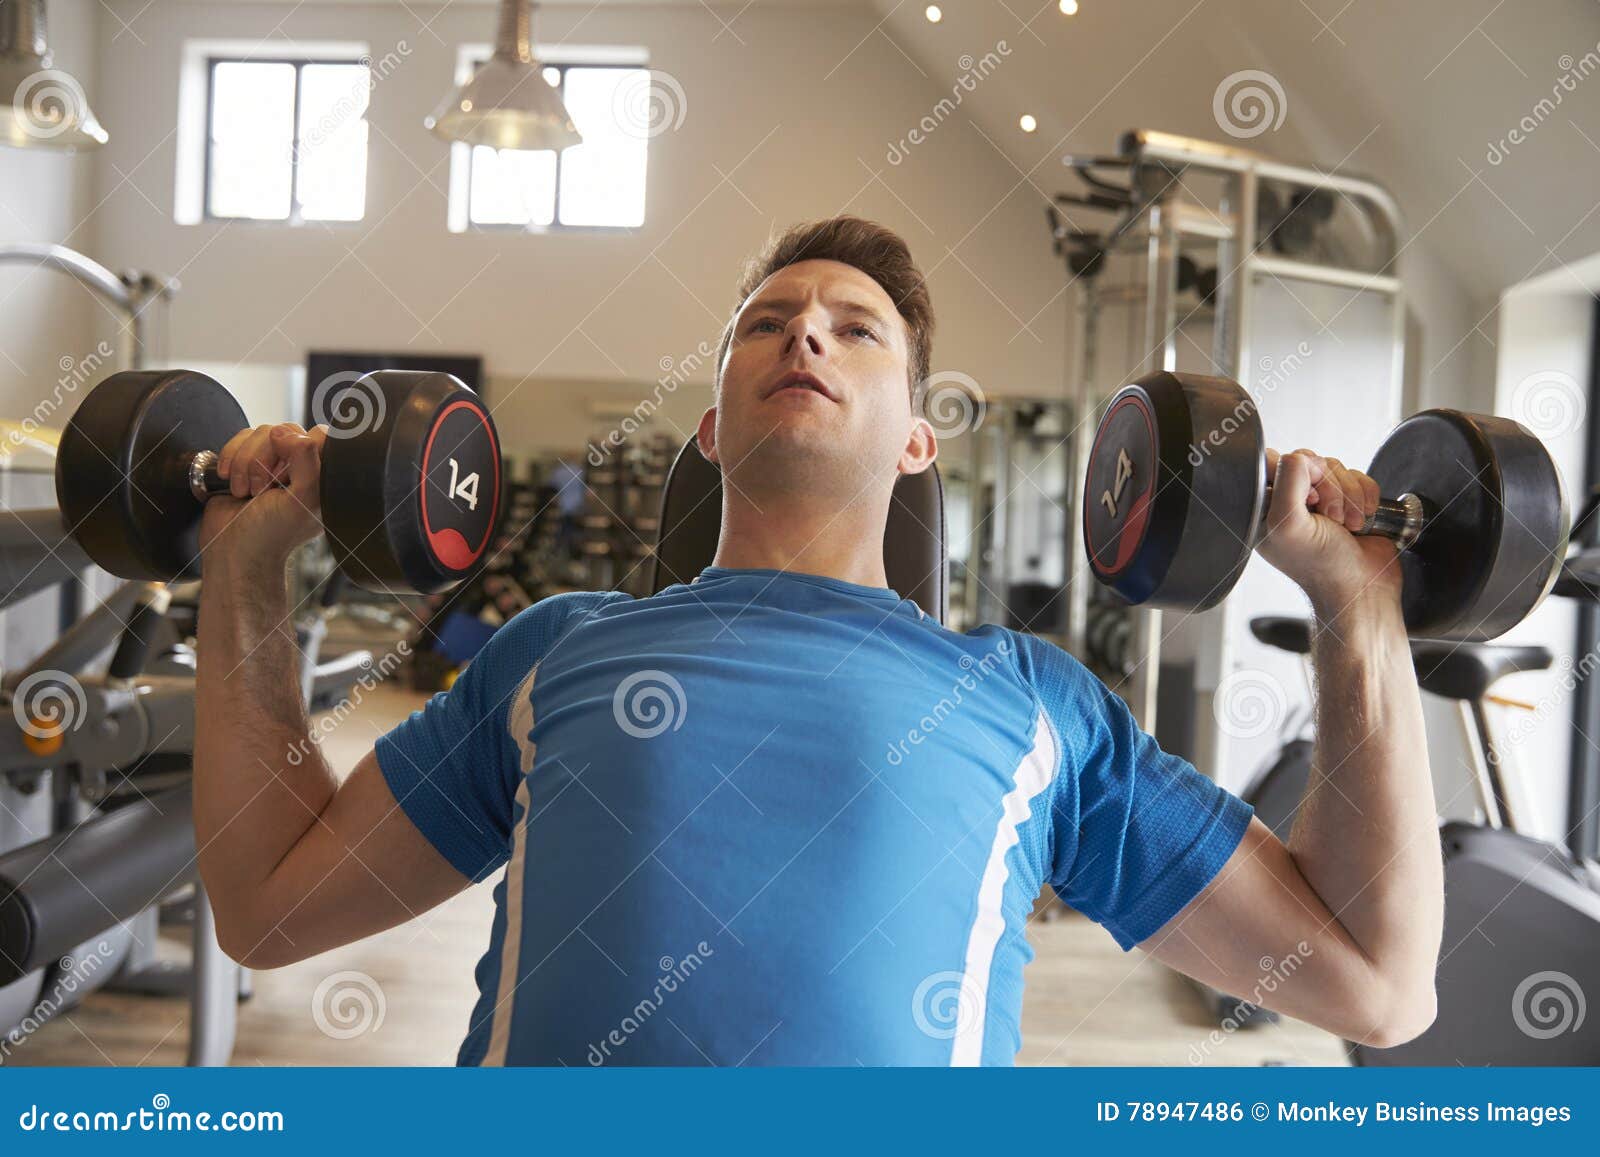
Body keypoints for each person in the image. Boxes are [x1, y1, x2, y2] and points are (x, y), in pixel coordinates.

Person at [193, 215, 1441, 1066]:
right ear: (710, 429)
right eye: (766, 322)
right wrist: (246, 572)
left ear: (916, 437)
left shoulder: (1031, 705)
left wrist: (1356, 608)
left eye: (857, 330)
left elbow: (1375, 985)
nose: (804, 335)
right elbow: (267, 905)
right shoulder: (554, 652)